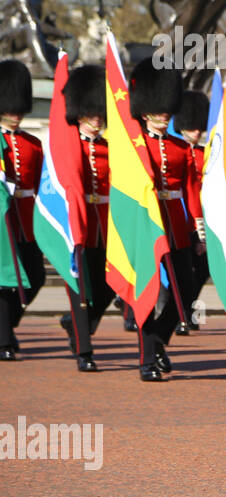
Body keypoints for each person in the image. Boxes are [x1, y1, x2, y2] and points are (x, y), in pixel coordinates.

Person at [128, 58, 199, 382]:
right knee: (146, 291)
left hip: (177, 226)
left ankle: (156, 342)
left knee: (186, 287)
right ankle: (147, 360)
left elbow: (191, 191)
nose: (162, 117)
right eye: (157, 112)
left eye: (166, 112)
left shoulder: (180, 146)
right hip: (144, 224)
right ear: (144, 111)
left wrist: (198, 231)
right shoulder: (133, 146)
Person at [58, 64, 114, 372]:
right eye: (91, 113)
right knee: (79, 289)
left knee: (107, 286)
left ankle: (79, 325)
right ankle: (84, 352)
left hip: (103, 226)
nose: (97, 120)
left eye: (99, 114)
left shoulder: (108, 147)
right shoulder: (69, 147)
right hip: (76, 225)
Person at [0, 58, 45, 358]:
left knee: (36, 275)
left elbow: (39, 184)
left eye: (18, 109)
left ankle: (8, 326)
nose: (15, 115)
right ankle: (3, 340)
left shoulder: (32, 144)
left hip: (26, 217)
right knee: (4, 281)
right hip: (2, 219)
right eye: (9, 109)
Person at [173, 89, 209, 330]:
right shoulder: (177, 150)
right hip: (178, 216)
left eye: (199, 127)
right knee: (180, 270)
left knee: (202, 268)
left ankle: (187, 311)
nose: (197, 132)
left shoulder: (204, 152)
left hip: (200, 216)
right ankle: (180, 314)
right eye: (192, 126)